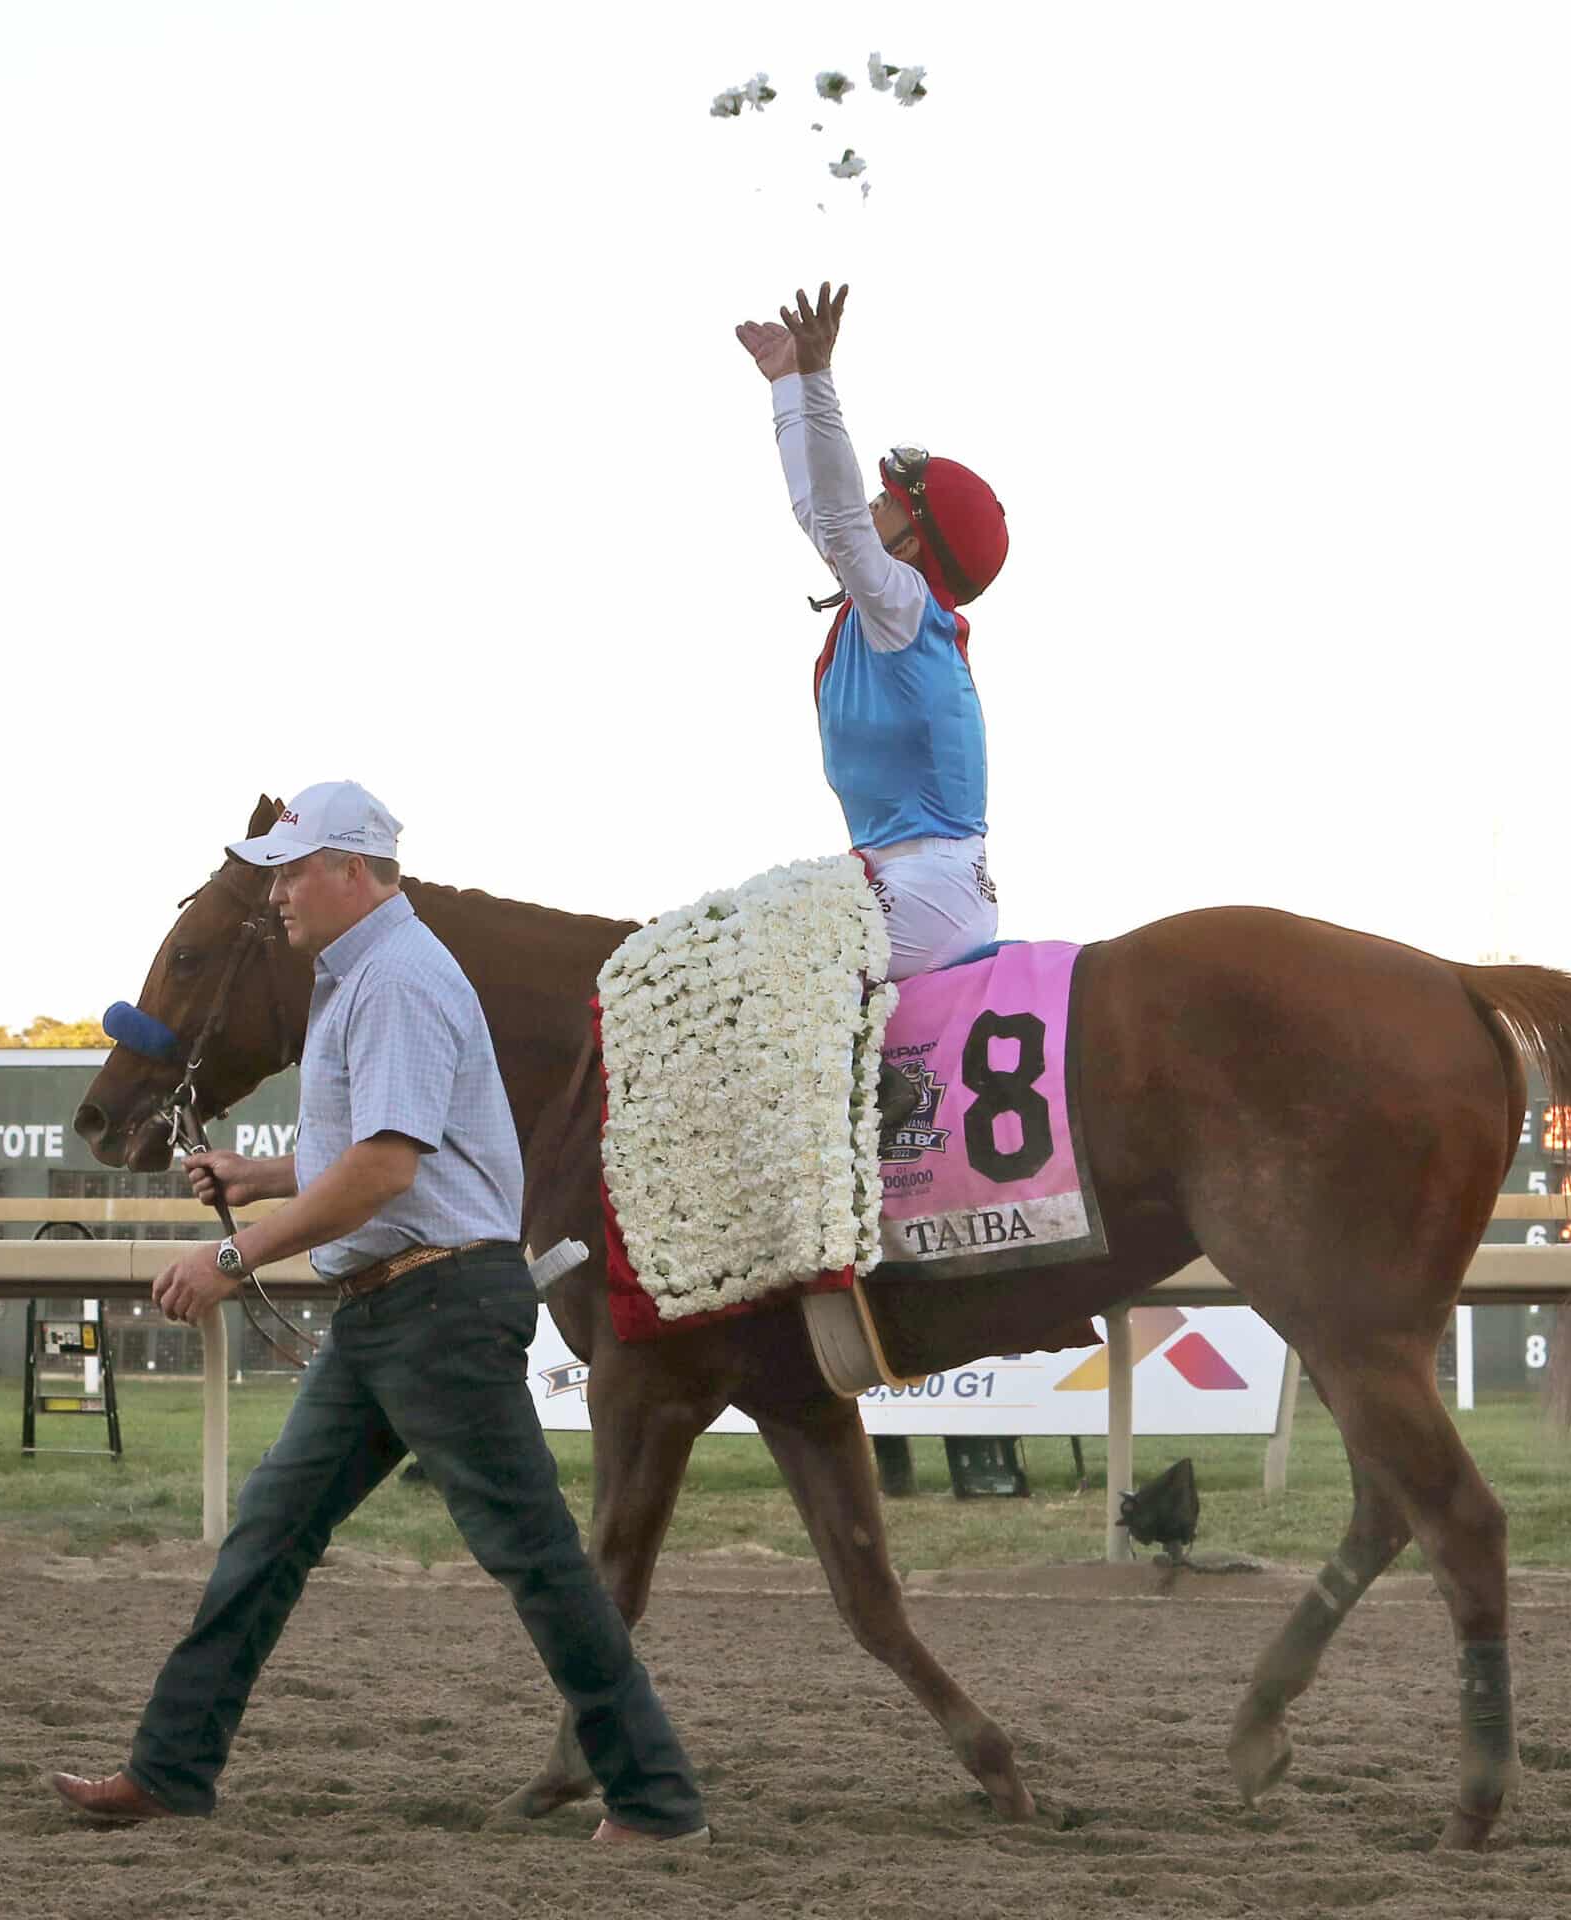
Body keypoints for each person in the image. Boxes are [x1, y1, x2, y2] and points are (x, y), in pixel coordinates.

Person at [50, 780, 707, 1846]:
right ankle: (167, 1771)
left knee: (535, 1563)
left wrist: (233, 1254)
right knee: (267, 1538)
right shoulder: (366, 975)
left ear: (354, 870)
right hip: (394, 1307)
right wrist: (261, 1175)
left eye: (293, 872)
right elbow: (373, 1150)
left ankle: (658, 1802)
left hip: (438, 1308)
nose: (278, 898)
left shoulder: (394, 978)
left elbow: (385, 1171)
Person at [735, 280, 1012, 986]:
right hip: (907, 882)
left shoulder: (906, 610)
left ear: (914, 546)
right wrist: (788, 388)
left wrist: (818, 381)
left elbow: (834, 514)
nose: (870, 504)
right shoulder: (886, 604)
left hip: (934, 890)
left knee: (737, 973)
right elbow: (818, 508)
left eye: (887, 502)